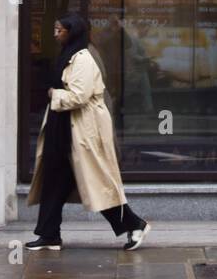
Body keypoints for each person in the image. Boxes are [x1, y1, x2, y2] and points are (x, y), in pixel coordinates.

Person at [25, 14, 150, 251]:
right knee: (53, 183)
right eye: (55, 29)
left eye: (59, 30)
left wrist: (54, 94)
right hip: (63, 130)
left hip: (79, 133)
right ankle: (49, 234)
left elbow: (78, 96)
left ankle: (136, 225)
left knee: (97, 185)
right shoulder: (68, 56)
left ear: (72, 32)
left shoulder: (83, 58)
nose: (55, 34)